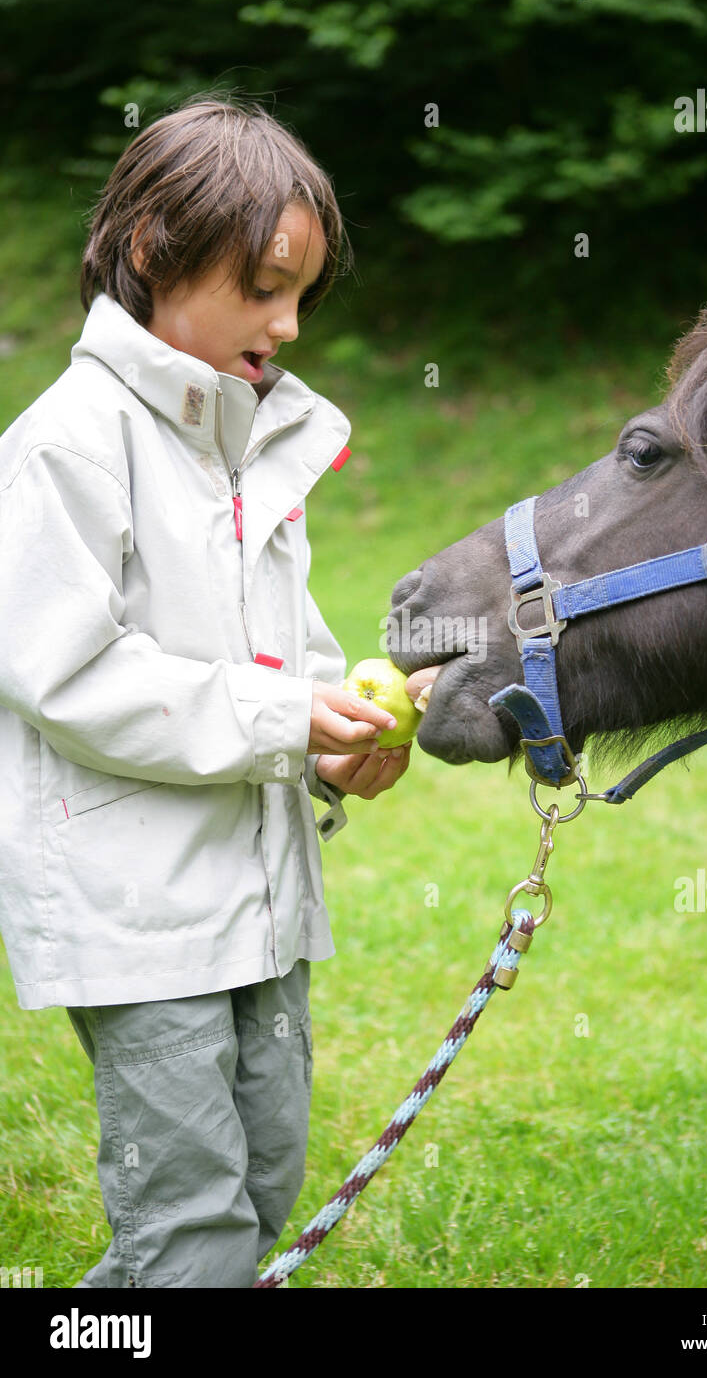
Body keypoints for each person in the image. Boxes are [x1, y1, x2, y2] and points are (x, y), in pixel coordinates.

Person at [0, 94, 414, 1287]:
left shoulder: (242, 442)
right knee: (189, 1227)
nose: (287, 325)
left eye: (302, 296)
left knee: (260, 1184)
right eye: (264, 287)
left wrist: (335, 735)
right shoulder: (71, 442)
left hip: (262, 902)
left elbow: (283, 646)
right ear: (151, 252)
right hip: (136, 914)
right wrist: (285, 718)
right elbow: (66, 672)